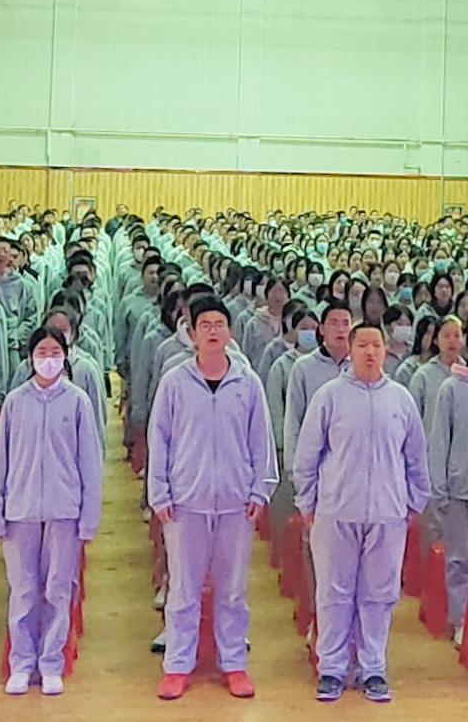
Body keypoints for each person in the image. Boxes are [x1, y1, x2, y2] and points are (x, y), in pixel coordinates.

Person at [144, 294, 274, 699]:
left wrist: (260, 489)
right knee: (183, 589)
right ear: (193, 333)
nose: (213, 332)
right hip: (185, 502)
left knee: (232, 589)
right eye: (205, 326)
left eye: (219, 324)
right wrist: (159, 492)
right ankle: (177, 665)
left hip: (236, 502)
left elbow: (261, 440)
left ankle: (233, 662)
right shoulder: (175, 382)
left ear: (229, 332)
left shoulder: (247, 383)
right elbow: (160, 439)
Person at [293, 321, 430, 704]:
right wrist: (308, 503)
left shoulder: (400, 399)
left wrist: (413, 502)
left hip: (387, 513)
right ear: (350, 351)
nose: (370, 352)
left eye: (376, 345)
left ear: (385, 351)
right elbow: (307, 455)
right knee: (334, 593)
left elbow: (416, 457)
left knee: (379, 595)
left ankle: (373, 668)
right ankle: (332, 668)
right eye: (363, 345)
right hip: (336, 511)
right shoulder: (330, 397)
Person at [0, 327, 103, 697]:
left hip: (64, 510)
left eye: (55, 351)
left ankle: (51, 662)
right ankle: (21, 662)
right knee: (23, 591)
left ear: (65, 356)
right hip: (20, 510)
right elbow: (0, 460)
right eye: (41, 351)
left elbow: (90, 463)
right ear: (30, 357)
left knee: (57, 590)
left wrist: (88, 517)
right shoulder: (16, 402)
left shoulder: (78, 402)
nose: (48, 358)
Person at [425, 325, 468, 652]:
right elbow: (440, 439)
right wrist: (438, 486)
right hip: (459, 488)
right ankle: (461, 619)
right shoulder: (451, 388)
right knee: (458, 559)